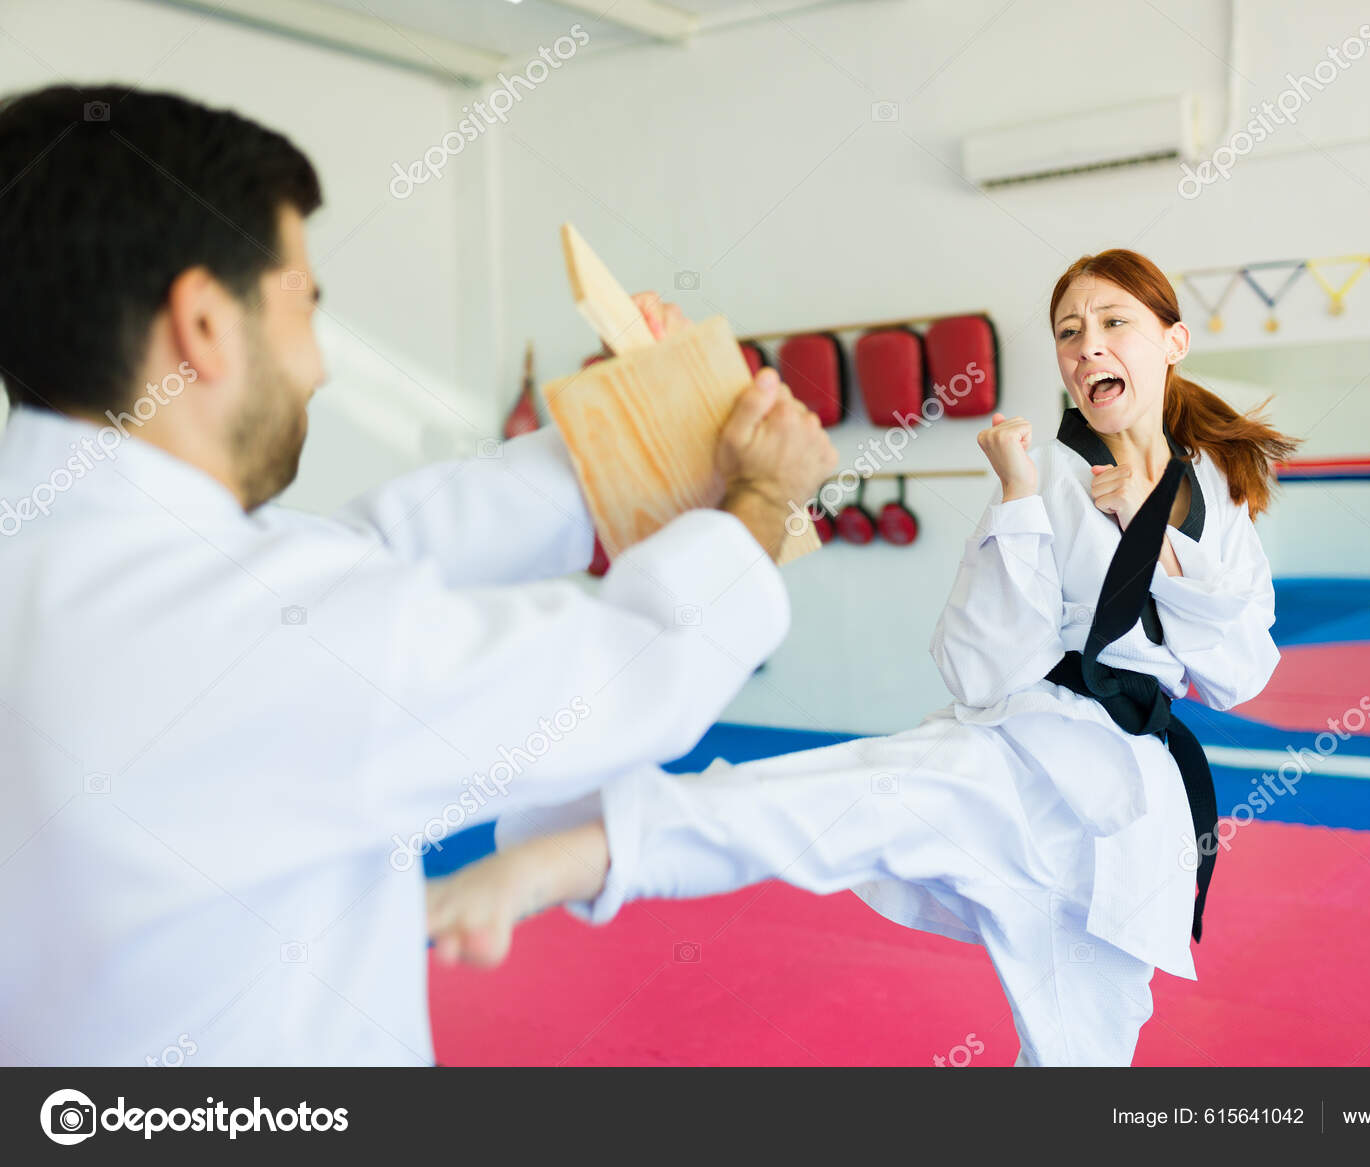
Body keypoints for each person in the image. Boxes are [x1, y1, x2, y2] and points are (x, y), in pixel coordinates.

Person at [0, 84, 835, 1066]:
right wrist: (762, 501)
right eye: (303, 307)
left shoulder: (86, 560)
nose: (318, 368)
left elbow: (370, 550)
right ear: (205, 325)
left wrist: (627, 435)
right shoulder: (237, 628)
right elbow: (622, 675)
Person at [426, 249, 1301, 1067]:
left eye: (1114, 324)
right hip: (1025, 757)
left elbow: (1241, 670)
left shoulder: (1217, 487)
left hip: (1133, 814)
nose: (1087, 346)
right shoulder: (1050, 476)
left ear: (1173, 343)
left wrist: (1163, 540)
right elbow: (984, 670)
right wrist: (1021, 500)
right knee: (839, 798)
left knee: (1086, 1055)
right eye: (1069, 331)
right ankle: (583, 849)